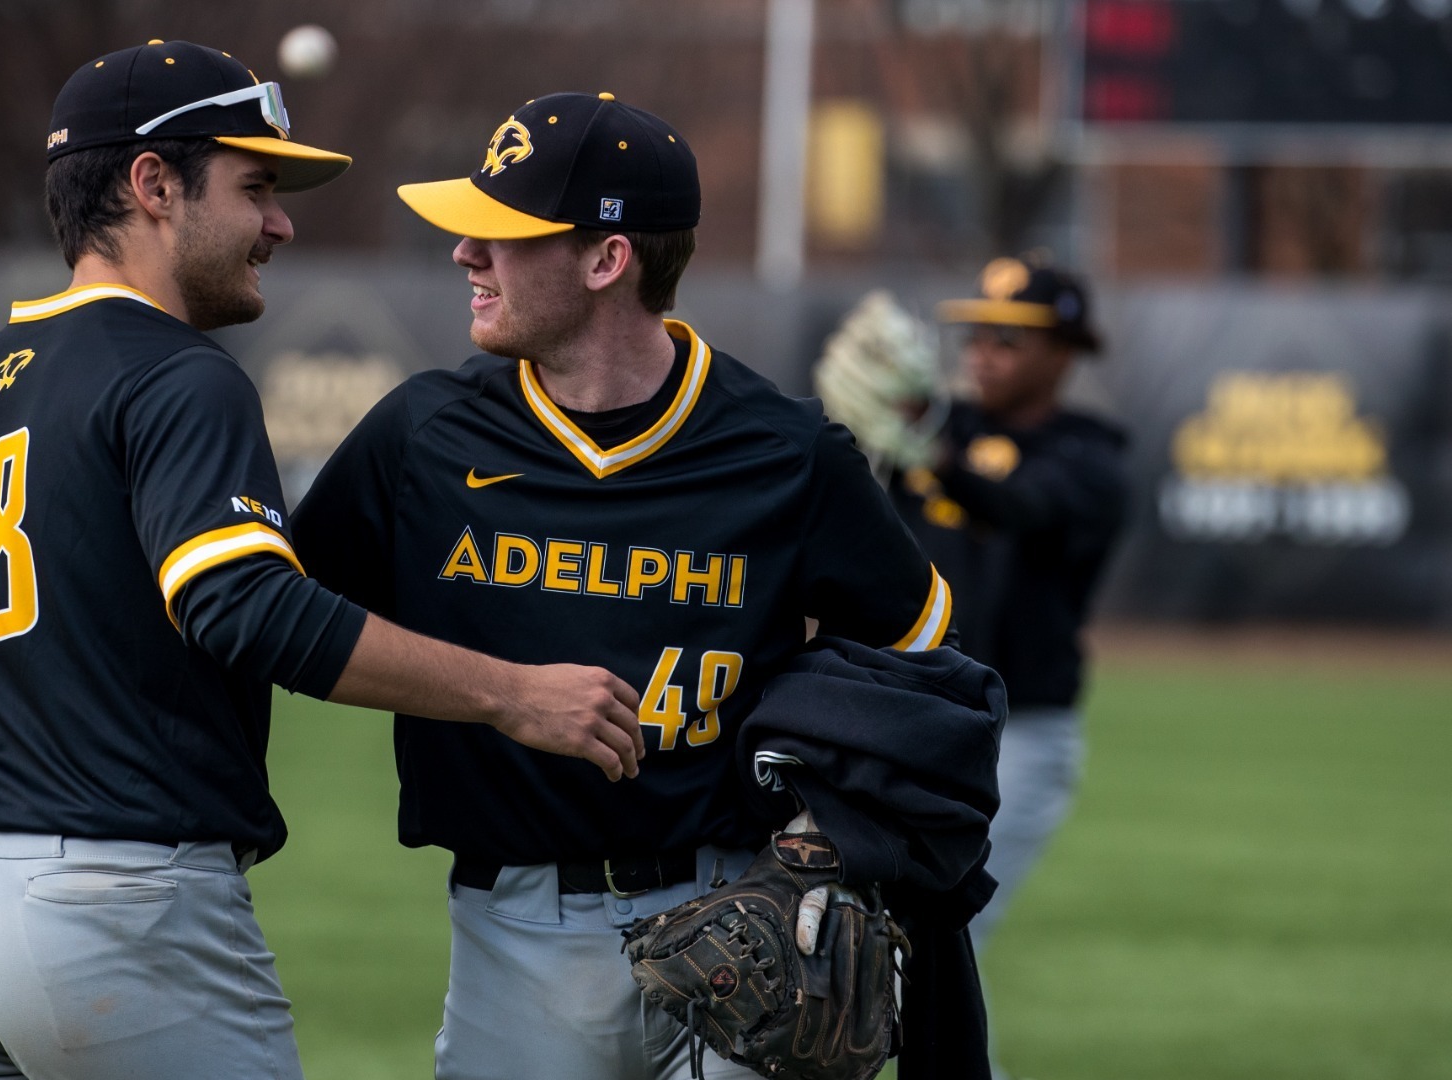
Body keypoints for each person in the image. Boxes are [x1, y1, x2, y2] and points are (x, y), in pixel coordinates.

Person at [0, 44, 645, 1080]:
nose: (281, 223)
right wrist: (510, 693)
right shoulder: (175, 377)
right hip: (119, 916)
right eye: (255, 187)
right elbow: (246, 609)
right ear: (152, 185)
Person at [291, 92, 973, 1080]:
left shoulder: (786, 452)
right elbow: (289, 623)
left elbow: (924, 660)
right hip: (516, 929)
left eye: (504, 232)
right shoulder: (422, 436)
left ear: (608, 260)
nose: (464, 252)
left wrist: (824, 842)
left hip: (746, 918)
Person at [895, 255, 1129, 948]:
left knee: (940, 934)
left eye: (1008, 339)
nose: (983, 354)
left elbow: (1019, 506)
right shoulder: (942, 426)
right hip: (913, 716)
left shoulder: (1090, 457)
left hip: (1020, 733)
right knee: (904, 942)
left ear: (1062, 352)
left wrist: (930, 450)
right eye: (976, 337)